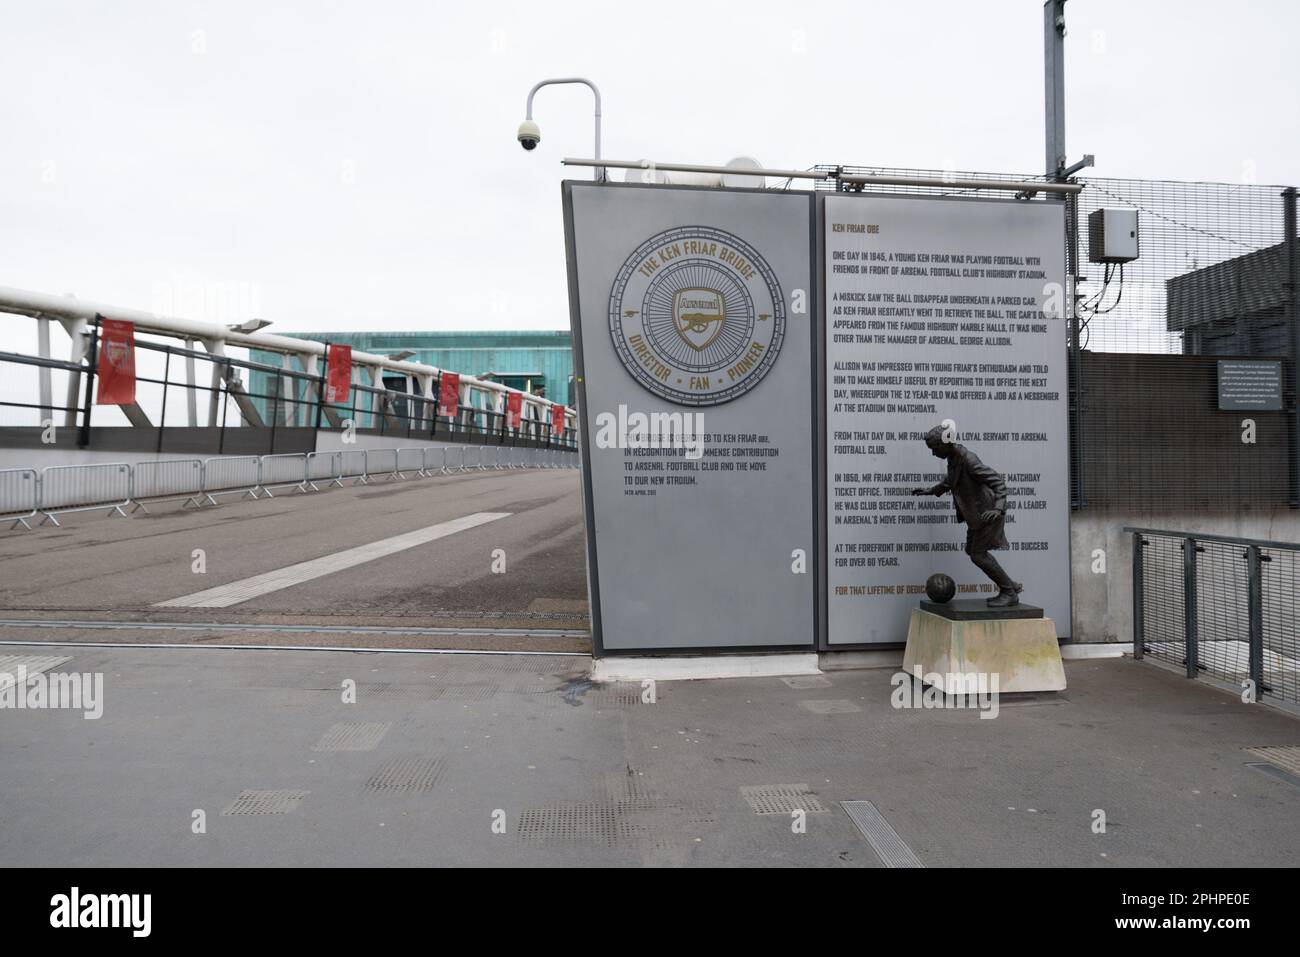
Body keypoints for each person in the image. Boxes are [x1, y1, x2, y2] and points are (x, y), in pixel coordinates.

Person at [911, 425, 1023, 608]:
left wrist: (998, 509)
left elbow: (998, 483)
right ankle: (1011, 586)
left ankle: (1009, 592)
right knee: (972, 551)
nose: (933, 454)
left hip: (987, 513)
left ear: (946, 444)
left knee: (978, 555)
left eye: (934, 449)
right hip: (976, 515)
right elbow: (951, 481)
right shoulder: (954, 457)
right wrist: (930, 491)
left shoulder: (968, 459)